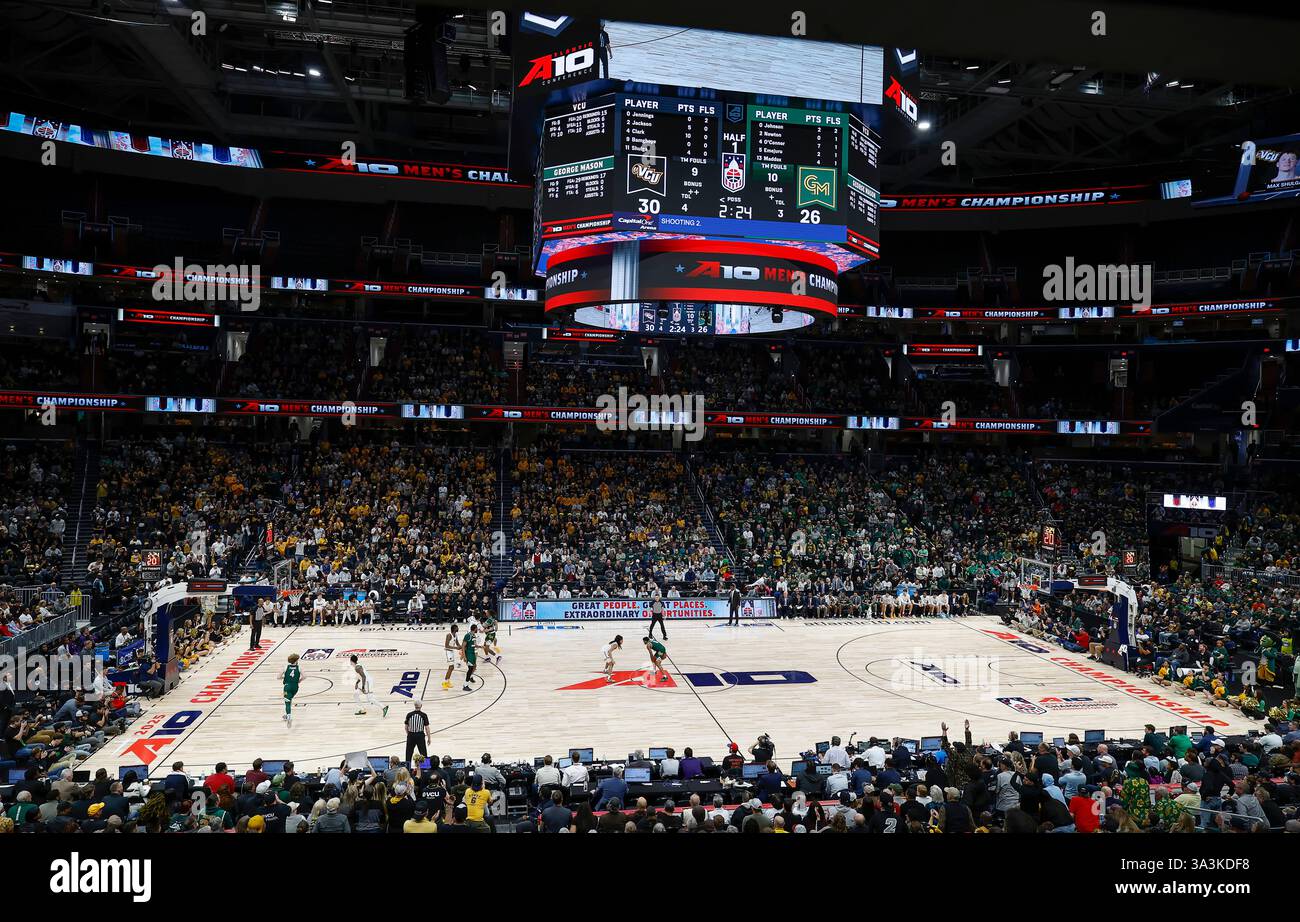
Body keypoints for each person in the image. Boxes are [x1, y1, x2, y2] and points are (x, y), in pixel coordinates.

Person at [404, 702, 430, 766]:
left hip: (411, 735)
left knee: (408, 753)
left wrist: (409, 734)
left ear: (414, 706)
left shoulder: (409, 714)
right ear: (421, 706)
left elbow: (406, 727)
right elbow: (427, 728)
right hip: (420, 735)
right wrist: (429, 738)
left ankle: (407, 769)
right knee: (423, 753)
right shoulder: (424, 715)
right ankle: (425, 768)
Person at [282, 653, 301, 728]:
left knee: (287, 702)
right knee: (290, 700)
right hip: (295, 687)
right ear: (296, 661)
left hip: (287, 687)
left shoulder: (286, 667)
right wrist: (299, 680)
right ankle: (287, 715)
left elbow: (278, 677)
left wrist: (285, 677)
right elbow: (305, 676)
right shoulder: (299, 668)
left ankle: (289, 717)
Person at [442, 622, 460, 691]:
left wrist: (463, 647)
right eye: (457, 627)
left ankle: (447, 681)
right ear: (454, 629)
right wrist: (456, 648)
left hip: (452, 652)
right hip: (448, 652)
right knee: (451, 667)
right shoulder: (449, 635)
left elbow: (458, 644)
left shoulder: (455, 635)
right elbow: (446, 645)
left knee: (452, 668)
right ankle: (445, 682)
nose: (458, 628)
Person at [461, 624, 480, 692]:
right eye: (477, 629)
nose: (477, 630)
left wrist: (481, 647)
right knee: (470, 669)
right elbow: (463, 646)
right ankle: (465, 685)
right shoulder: (467, 635)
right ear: (474, 629)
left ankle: (470, 678)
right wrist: (464, 656)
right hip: (468, 654)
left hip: (472, 654)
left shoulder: (474, 635)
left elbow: (474, 645)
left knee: (474, 667)